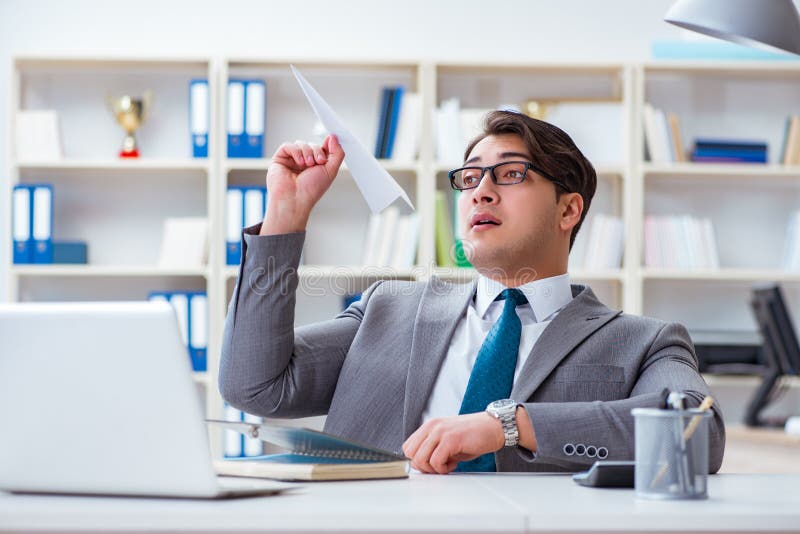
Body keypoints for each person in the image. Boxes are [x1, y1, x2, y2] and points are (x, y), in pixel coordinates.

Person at [219, 110, 725, 474]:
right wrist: (286, 218)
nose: (480, 190)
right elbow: (254, 386)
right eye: (471, 176)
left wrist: (509, 425)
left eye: (509, 174)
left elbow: (696, 432)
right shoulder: (388, 308)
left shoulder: (643, 341)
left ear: (568, 211)